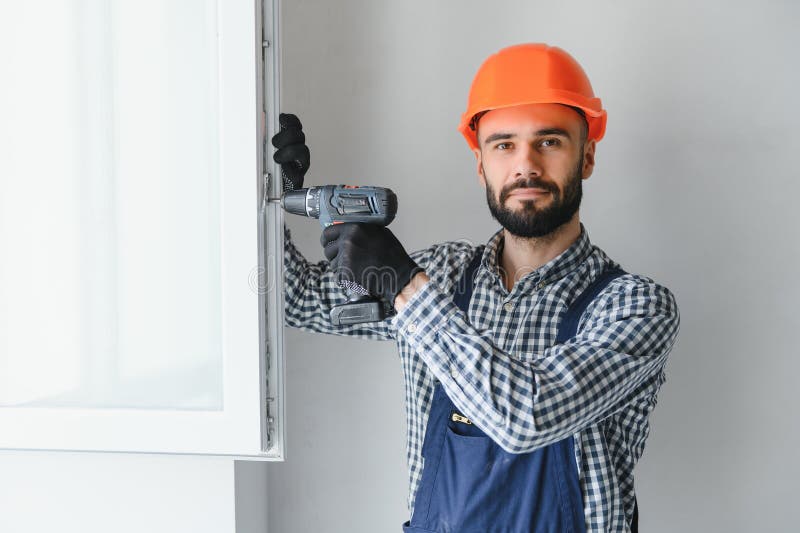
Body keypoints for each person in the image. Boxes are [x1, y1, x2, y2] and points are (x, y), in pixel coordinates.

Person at [273, 43, 680, 533]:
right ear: (481, 164)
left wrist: (404, 284)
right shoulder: (441, 275)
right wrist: (268, 191)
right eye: (503, 145)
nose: (526, 165)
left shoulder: (634, 308)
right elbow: (293, 298)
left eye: (549, 141)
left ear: (587, 156)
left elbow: (525, 417)